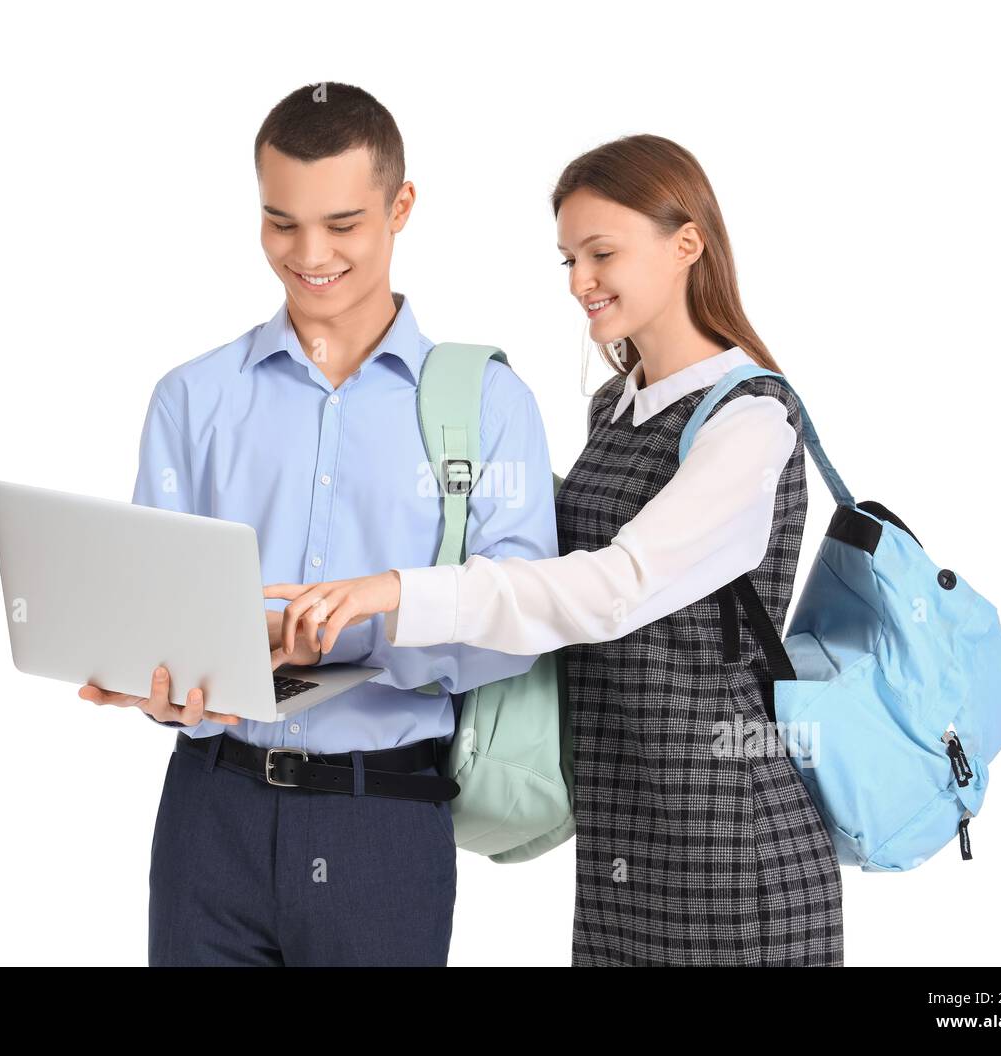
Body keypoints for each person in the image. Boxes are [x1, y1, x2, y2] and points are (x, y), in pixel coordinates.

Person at [267, 134, 845, 967]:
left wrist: (398, 590)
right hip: (621, 827)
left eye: (602, 253)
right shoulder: (618, 403)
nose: (580, 281)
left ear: (688, 244)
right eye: (569, 257)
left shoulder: (750, 422)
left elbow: (610, 590)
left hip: (727, 837)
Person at [78, 82, 558, 966]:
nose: (309, 254)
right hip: (207, 820)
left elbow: (521, 619)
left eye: (342, 224)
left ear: (400, 206)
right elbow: (161, 605)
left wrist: (356, 629)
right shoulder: (193, 398)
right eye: (280, 223)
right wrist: (158, 688)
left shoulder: (486, 405)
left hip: (382, 821)